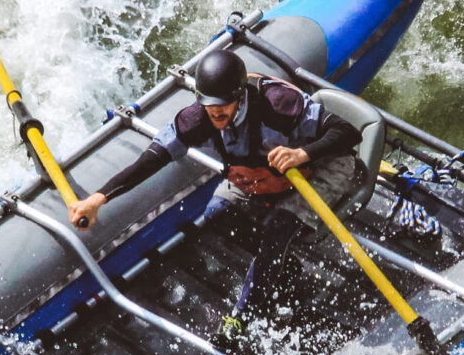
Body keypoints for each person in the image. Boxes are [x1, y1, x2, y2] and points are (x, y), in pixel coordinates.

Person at [68, 49, 364, 339]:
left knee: (278, 227)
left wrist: (302, 153)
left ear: (240, 96)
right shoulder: (196, 119)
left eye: (223, 105)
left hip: (322, 164)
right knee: (217, 213)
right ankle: (283, 269)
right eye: (209, 106)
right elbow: (152, 159)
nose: (216, 113)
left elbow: (348, 132)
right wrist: (98, 198)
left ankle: (243, 322)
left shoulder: (279, 105)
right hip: (263, 175)